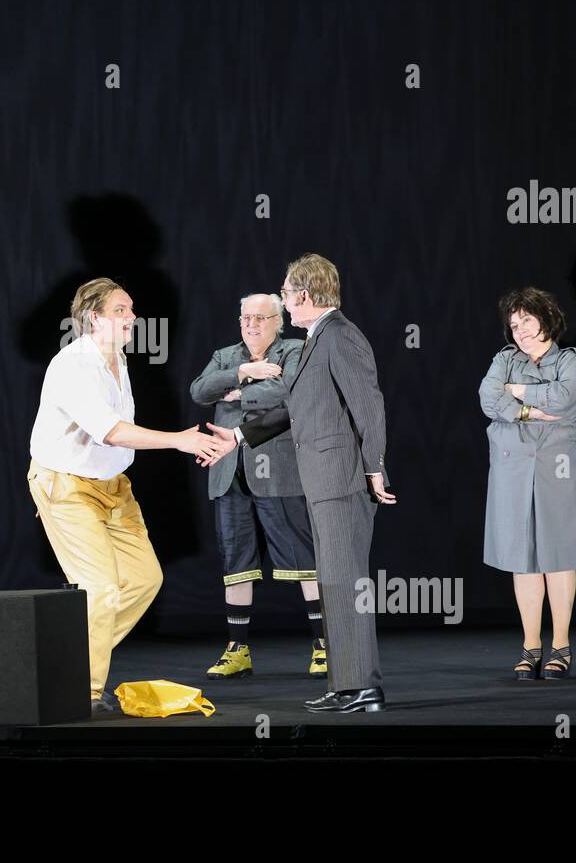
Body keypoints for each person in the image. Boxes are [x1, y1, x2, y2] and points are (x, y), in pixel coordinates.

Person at [27, 278, 229, 714]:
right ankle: (80, 691)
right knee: (100, 589)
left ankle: (56, 662)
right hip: (68, 487)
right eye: (121, 310)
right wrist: (179, 440)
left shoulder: (117, 359)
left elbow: (111, 439)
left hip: (113, 488)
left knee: (143, 580)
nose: (132, 318)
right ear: (94, 317)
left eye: (132, 310)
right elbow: (112, 432)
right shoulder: (73, 365)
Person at [205, 254, 396, 714]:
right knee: (334, 584)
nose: (285, 301)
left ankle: (363, 687)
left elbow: (369, 406)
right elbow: (294, 407)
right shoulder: (317, 338)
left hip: (342, 479)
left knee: (345, 584)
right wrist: (237, 436)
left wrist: (374, 467)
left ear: (305, 295)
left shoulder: (341, 336)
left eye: (286, 293)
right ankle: (346, 684)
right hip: (322, 479)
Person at [190, 293, 325, 679]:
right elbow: (199, 391)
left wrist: (237, 395)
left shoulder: (294, 349)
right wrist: (243, 374)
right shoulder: (225, 356)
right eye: (246, 318)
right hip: (228, 474)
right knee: (236, 563)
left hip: (278, 473)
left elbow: (288, 391)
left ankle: (324, 646)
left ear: (277, 321)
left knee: (304, 559)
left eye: (260, 318)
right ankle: (238, 651)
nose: (251, 324)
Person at [479, 288, 576, 680]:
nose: (521, 331)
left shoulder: (571, 359)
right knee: (523, 557)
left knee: (559, 554)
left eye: (527, 320)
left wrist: (516, 393)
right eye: (514, 325)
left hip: (558, 466)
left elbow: (565, 398)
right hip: (512, 466)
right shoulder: (504, 359)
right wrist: (531, 410)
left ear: (547, 319)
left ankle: (560, 646)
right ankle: (530, 646)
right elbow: (487, 398)